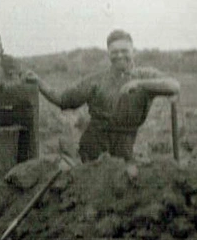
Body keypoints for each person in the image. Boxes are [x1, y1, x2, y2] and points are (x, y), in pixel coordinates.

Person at [25, 29, 180, 162]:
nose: (119, 55)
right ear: (109, 54)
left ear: (133, 51)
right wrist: (39, 83)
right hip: (95, 145)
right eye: (114, 52)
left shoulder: (146, 75)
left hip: (125, 144)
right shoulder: (97, 80)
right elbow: (63, 100)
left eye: (124, 51)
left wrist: (139, 84)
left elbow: (173, 85)